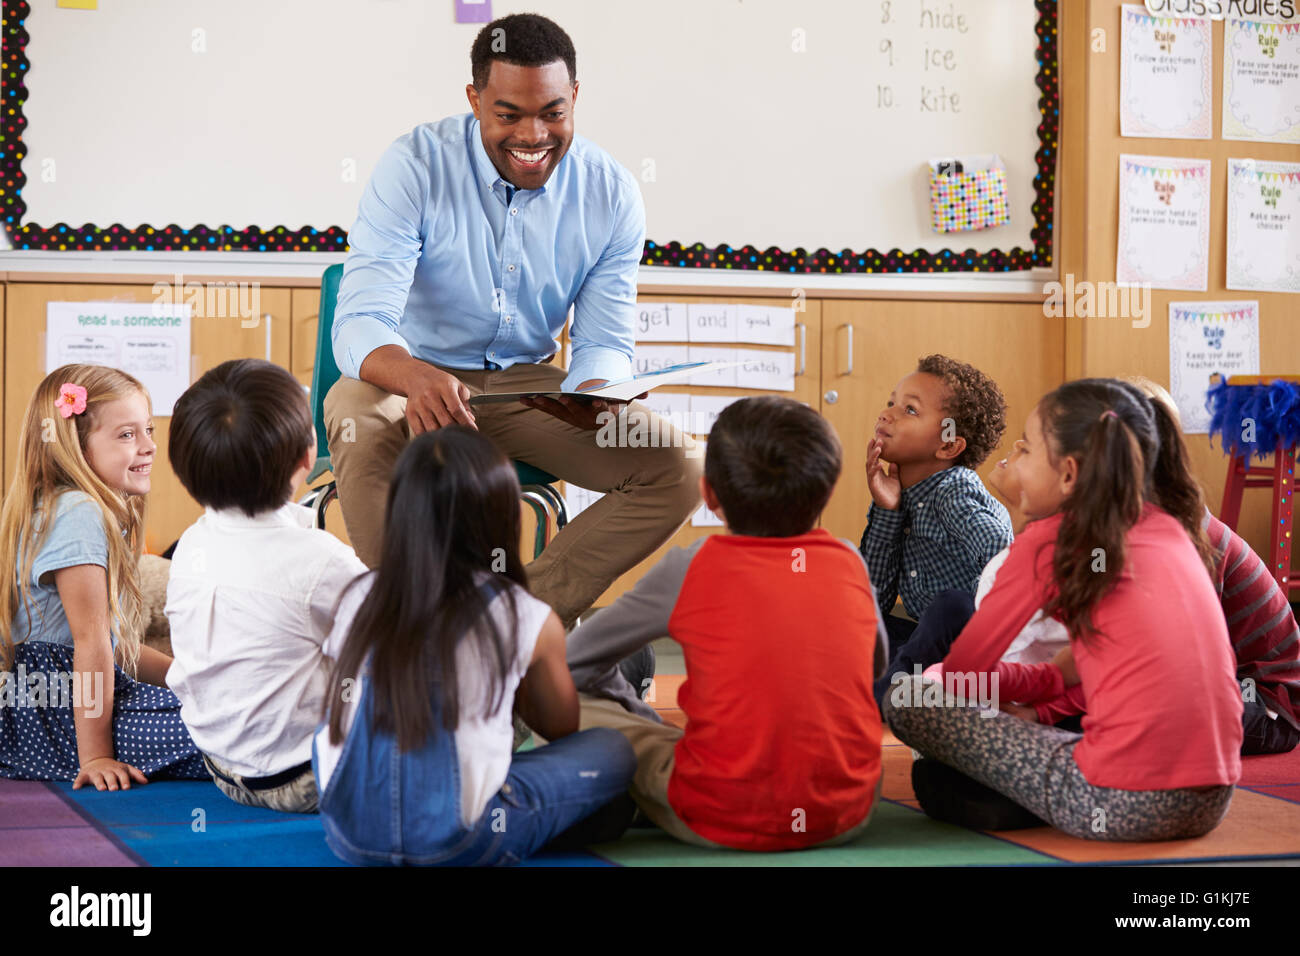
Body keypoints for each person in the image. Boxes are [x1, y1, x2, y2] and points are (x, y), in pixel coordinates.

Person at [324, 12, 699, 626]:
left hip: (529, 391)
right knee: (356, 421)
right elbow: (362, 318)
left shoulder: (610, 192)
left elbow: (604, 338)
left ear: (575, 97)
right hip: (411, 381)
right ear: (474, 100)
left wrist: (599, 389)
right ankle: (411, 622)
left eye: (553, 112)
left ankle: (511, 622)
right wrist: (417, 377)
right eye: (509, 115)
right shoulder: (414, 166)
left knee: (678, 469)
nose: (533, 136)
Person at [886, 379, 1242, 841]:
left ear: (1069, 474)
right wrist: (1033, 701)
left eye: (1029, 450)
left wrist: (997, 694)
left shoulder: (1050, 539)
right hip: (1213, 800)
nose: (1019, 461)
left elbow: (961, 676)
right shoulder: (1172, 530)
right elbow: (1075, 670)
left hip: (1116, 801)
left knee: (907, 700)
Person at [567, 397, 887, 851]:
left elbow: (570, 665)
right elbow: (873, 666)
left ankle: (635, 789)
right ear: (827, 493)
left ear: (709, 493)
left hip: (718, 813)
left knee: (563, 692)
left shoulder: (693, 565)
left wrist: (635, 713)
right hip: (848, 814)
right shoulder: (850, 562)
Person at [314, 427, 637, 866]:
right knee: (612, 750)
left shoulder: (356, 595)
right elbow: (560, 730)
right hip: (456, 844)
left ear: (401, 511)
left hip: (346, 835)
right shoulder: (523, 614)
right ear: (501, 517)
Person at [165, 360, 369, 812]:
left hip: (219, 766)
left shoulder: (193, 542)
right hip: (304, 779)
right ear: (306, 456)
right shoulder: (321, 561)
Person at [0, 365, 205, 788]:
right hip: (64, 722)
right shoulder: (79, 512)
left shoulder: (59, 506)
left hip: (59, 707)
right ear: (76, 447)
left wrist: (191, 679)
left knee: (224, 714)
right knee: (230, 735)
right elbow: (90, 644)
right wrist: (95, 757)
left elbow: (112, 646)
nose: (149, 446)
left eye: (148, 429)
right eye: (127, 435)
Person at [859, 353, 1013, 655]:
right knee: (859, 623)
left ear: (948, 445)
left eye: (910, 410)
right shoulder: (904, 493)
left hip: (972, 636)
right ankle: (902, 682)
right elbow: (875, 601)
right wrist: (888, 511)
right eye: (892, 403)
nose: (887, 414)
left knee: (950, 607)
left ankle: (898, 690)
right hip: (926, 636)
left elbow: (1004, 555)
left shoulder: (954, 492)